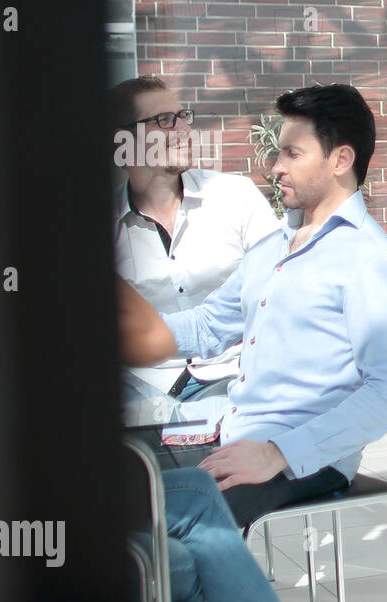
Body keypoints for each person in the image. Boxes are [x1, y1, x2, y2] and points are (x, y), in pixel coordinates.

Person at [119, 279, 387, 602]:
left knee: (197, 526)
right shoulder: (269, 254)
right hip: (207, 419)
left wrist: (278, 449)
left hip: (279, 433)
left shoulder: (360, 261)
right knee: (190, 547)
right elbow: (186, 329)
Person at [133, 83, 387, 530]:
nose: (275, 168)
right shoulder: (271, 249)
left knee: (173, 526)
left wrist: (277, 454)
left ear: (341, 160)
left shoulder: (370, 259)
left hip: (303, 454)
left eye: (292, 154)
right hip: (236, 434)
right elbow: (208, 326)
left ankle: (196, 595)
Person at [111, 77, 282, 427]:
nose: (184, 129)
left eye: (183, 116)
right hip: (142, 390)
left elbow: (282, 287)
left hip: (235, 377)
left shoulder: (235, 196)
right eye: (164, 120)